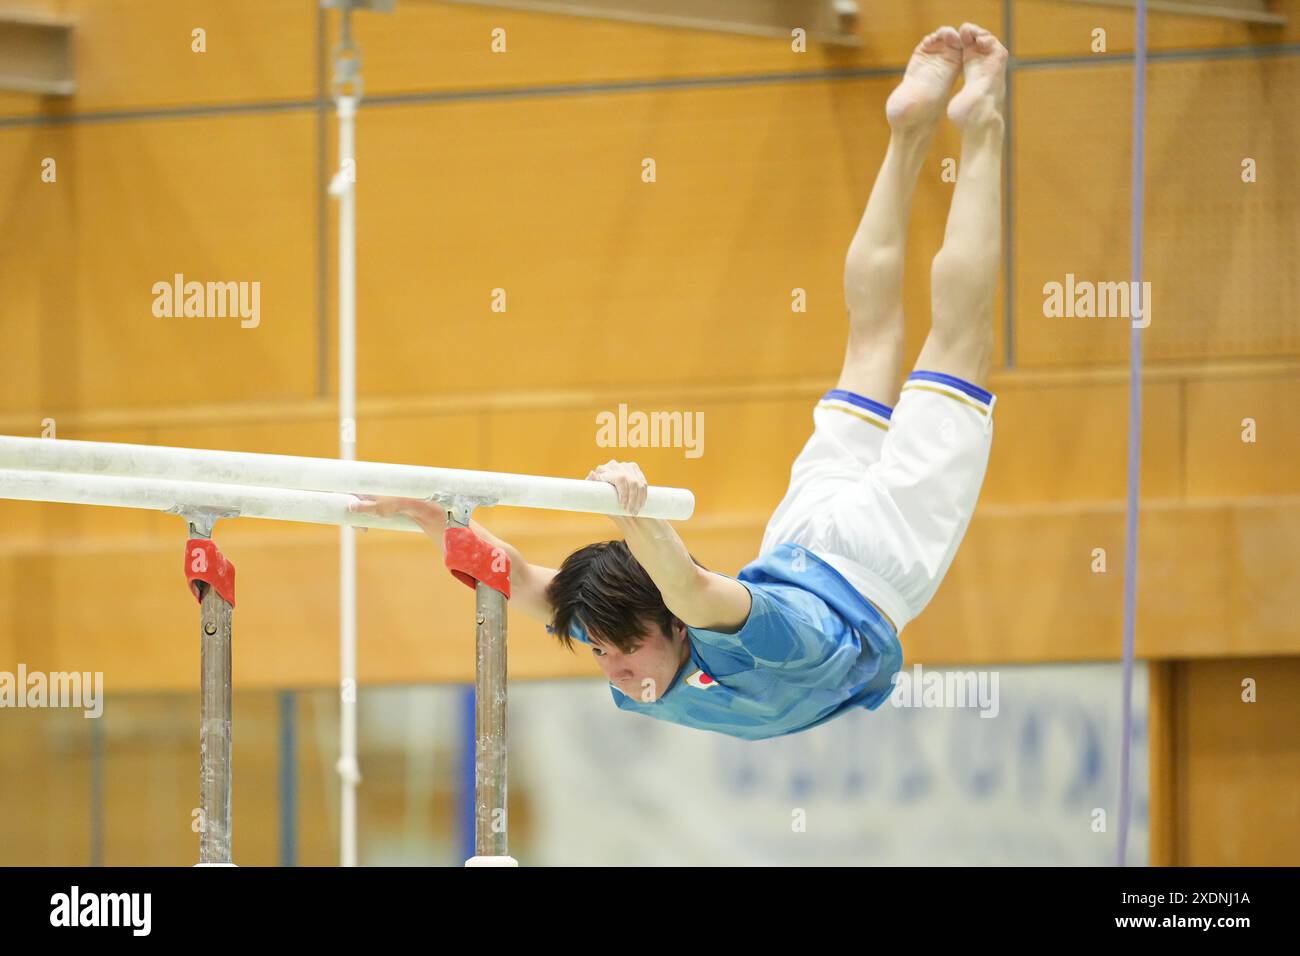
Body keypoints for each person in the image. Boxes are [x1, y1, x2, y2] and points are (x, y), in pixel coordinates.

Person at [354, 23, 1007, 741]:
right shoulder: (708, 630)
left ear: (665, 620)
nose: (615, 667)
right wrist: (449, 515)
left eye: (617, 648)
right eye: (605, 648)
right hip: (856, 565)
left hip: (823, 553)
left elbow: (630, 583)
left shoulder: (715, 623)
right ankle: (937, 134)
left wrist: (438, 514)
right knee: (920, 340)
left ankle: (962, 128)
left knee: (911, 340)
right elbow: (612, 582)